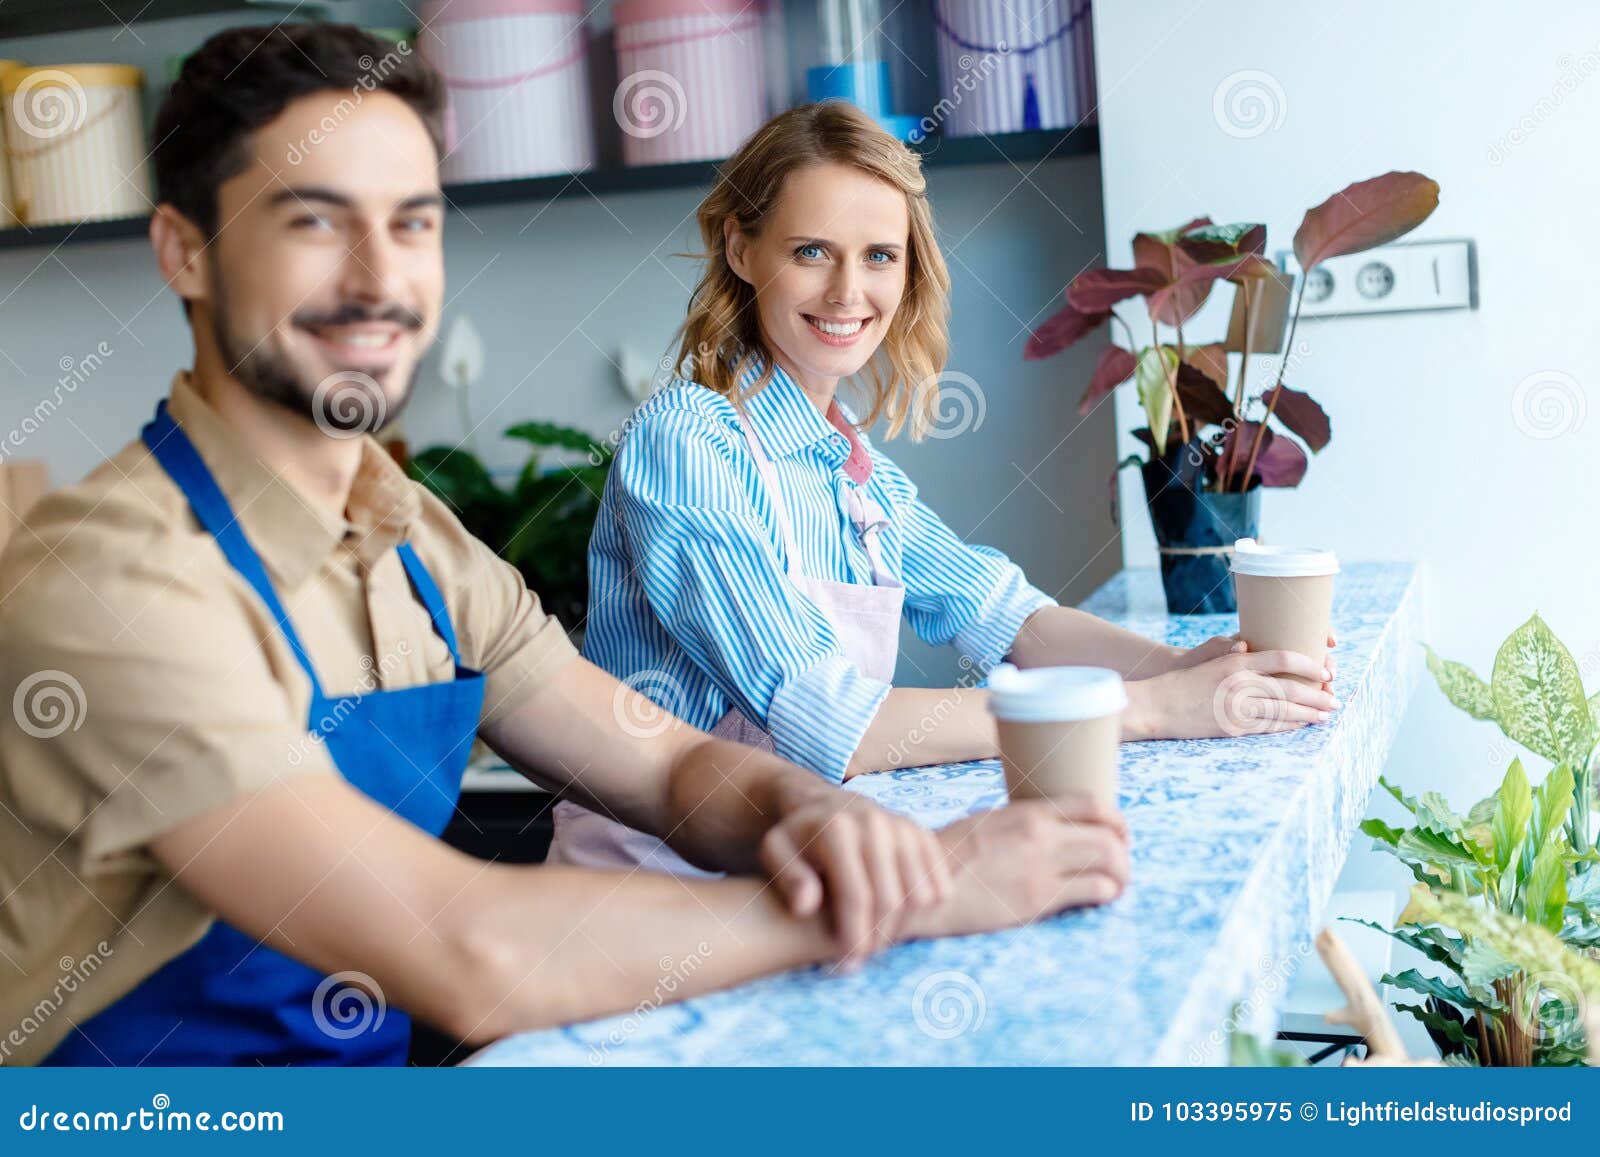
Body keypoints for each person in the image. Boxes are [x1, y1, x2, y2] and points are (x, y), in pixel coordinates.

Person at [0, 25, 1131, 1068]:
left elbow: (662, 759)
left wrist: (807, 812)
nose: (377, 275)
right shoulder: (109, 580)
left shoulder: (409, 539)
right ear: (184, 252)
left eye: (412, 221)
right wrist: (924, 886)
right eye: (312, 220)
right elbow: (470, 953)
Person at [553, 101, 1337, 874]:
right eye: (812, 251)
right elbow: (830, 722)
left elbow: (1011, 619)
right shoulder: (687, 440)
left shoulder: (855, 475)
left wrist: (1186, 666)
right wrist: (1155, 711)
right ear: (739, 247)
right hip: (643, 892)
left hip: (776, 871)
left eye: (879, 256)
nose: (847, 292)